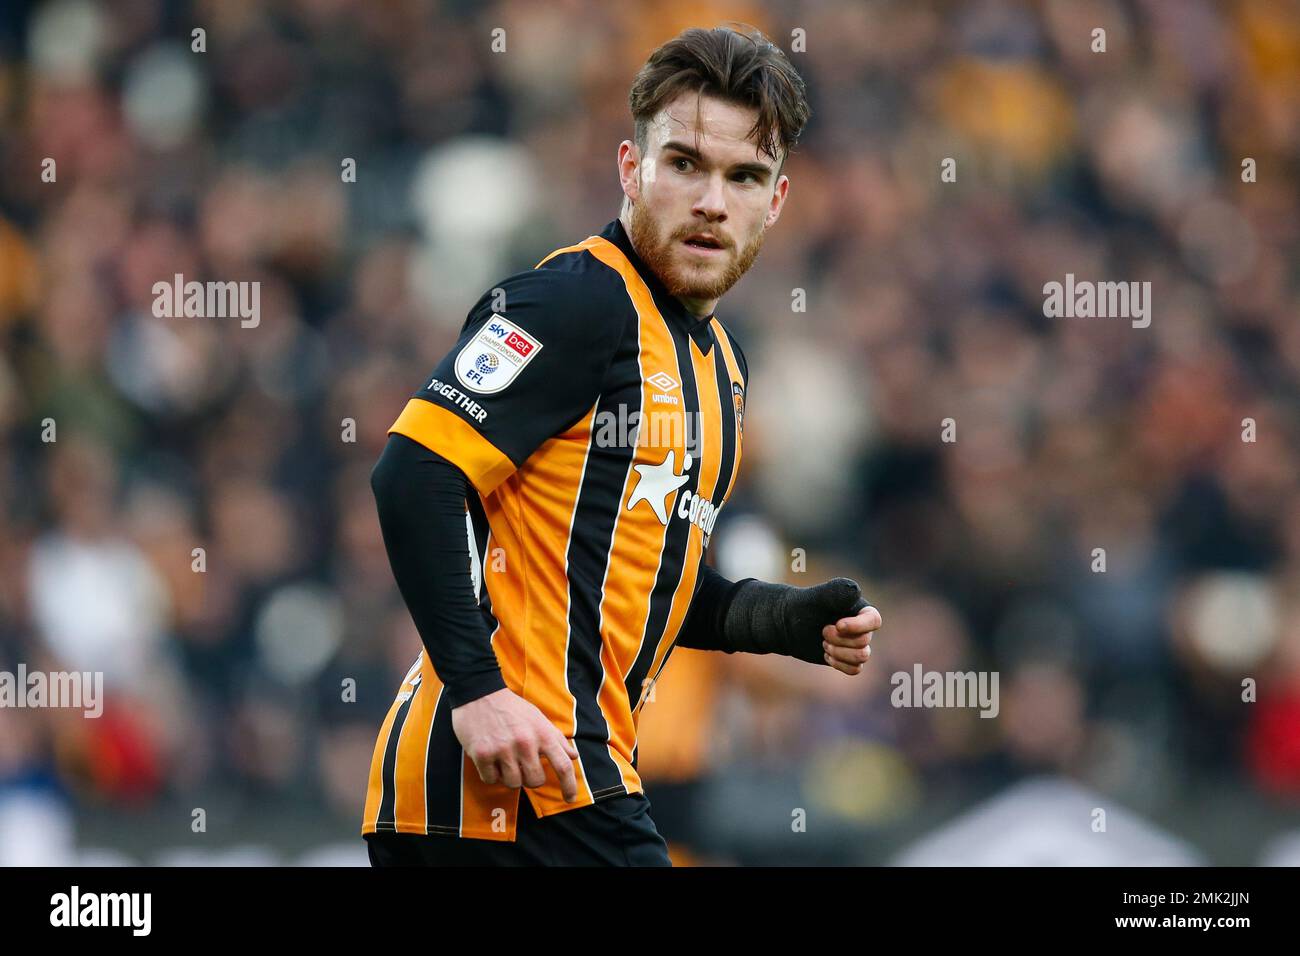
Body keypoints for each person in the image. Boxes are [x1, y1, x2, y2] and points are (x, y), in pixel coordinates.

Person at [362, 23, 882, 867]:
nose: (713, 200)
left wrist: (781, 621)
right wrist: (478, 692)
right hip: (501, 785)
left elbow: (650, 586)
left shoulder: (724, 370)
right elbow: (413, 472)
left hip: (581, 774)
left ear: (776, 202)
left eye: (744, 176)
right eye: (686, 164)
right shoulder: (576, 303)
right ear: (631, 168)